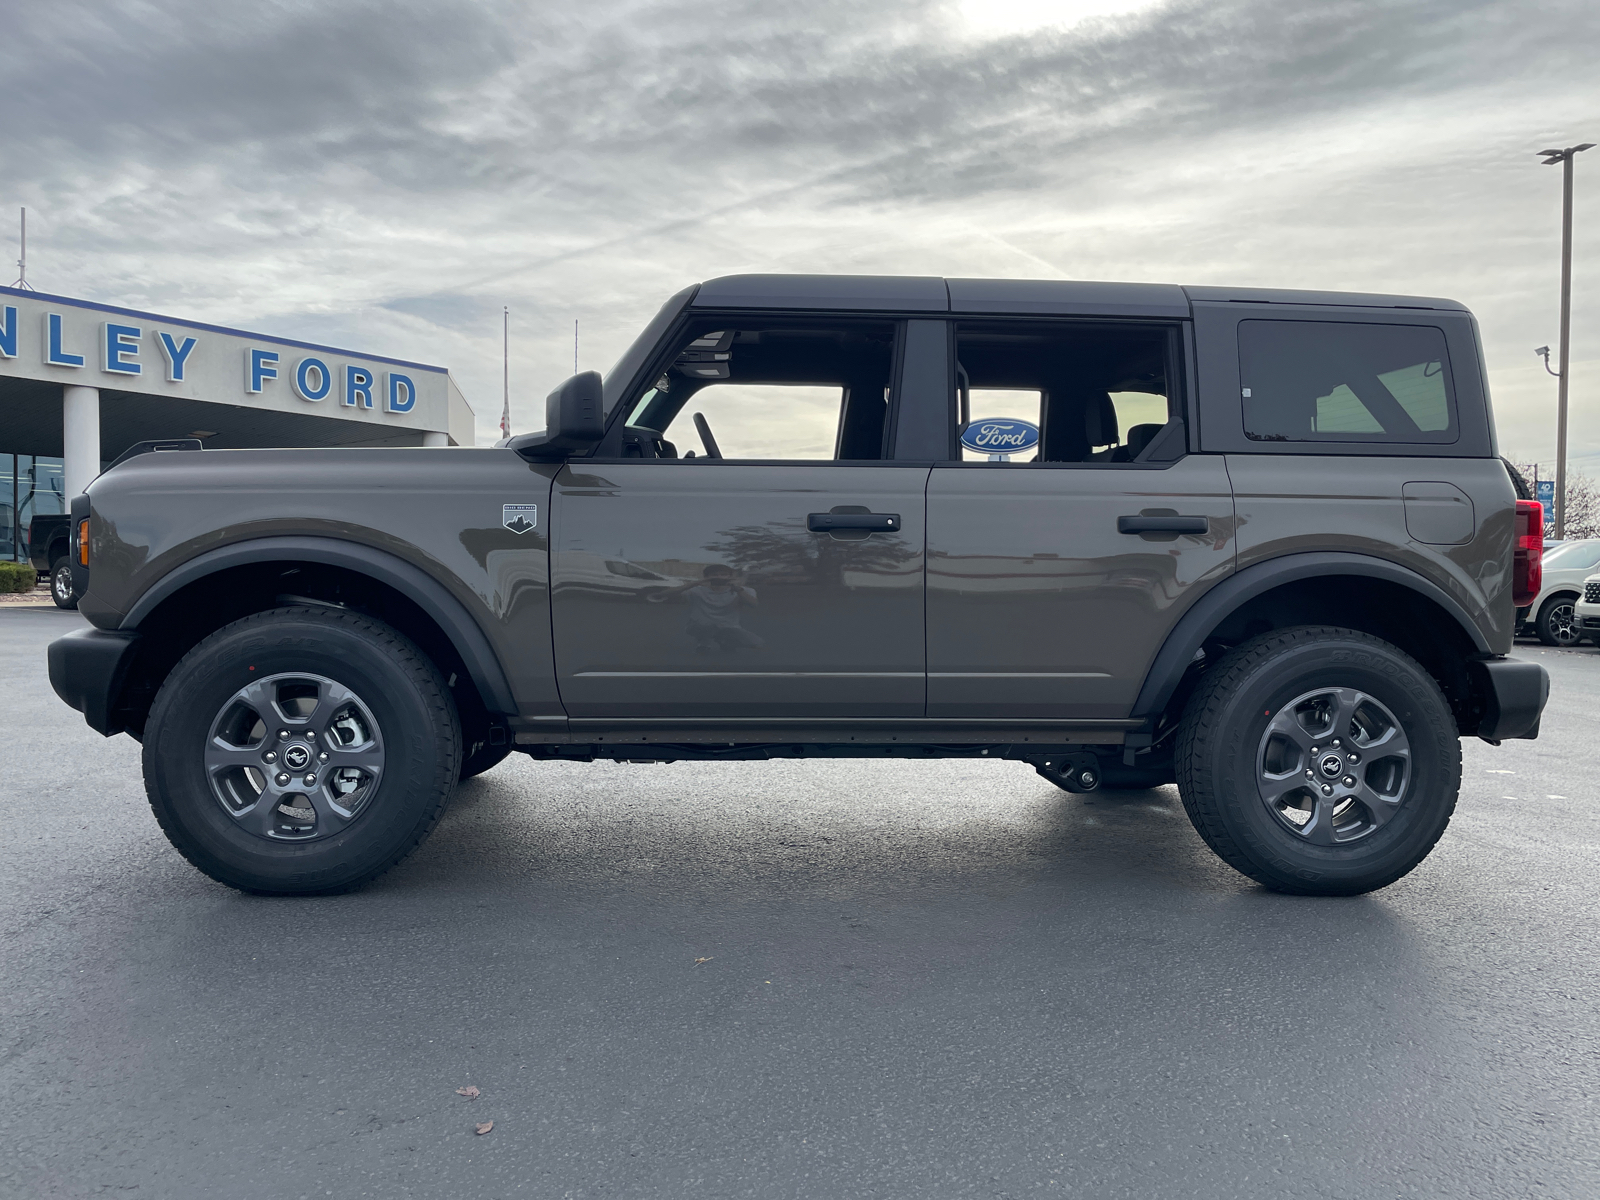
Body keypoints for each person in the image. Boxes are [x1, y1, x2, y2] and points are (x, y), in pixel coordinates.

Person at [649, 564, 763, 653]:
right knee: (705, 625)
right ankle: (704, 643)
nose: (719, 577)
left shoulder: (743, 590)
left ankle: (726, 641)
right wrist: (695, 583)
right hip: (700, 625)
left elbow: (753, 605)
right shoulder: (697, 590)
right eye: (714, 575)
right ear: (706, 577)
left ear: (730, 577)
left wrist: (738, 589)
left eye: (723, 574)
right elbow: (664, 594)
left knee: (756, 643)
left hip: (729, 627)